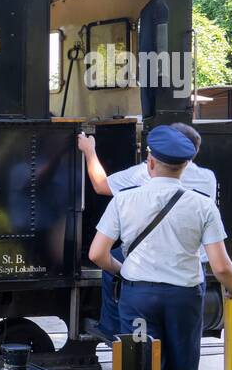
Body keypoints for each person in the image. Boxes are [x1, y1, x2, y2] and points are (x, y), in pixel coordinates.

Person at [87, 125, 232, 370]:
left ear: (150, 162)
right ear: (186, 164)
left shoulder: (125, 200)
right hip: (183, 299)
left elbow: (97, 253)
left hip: (138, 297)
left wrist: (124, 270)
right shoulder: (202, 204)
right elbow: (221, 266)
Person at [78, 123, 217, 335]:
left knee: (110, 267)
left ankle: (110, 326)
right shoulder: (208, 177)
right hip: (190, 272)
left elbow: (100, 185)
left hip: (148, 265)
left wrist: (89, 150)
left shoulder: (143, 173)